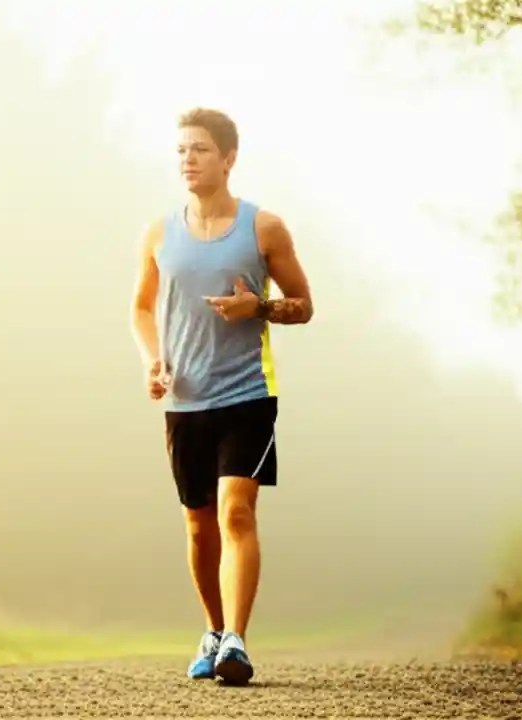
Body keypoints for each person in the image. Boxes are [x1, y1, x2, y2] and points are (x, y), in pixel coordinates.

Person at [130, 107, 314, 685]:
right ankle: (212, 629)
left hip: (248, 394)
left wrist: (255, 307)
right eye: (181, 150)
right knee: (198, 524)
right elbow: (140, 306)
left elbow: (304, 304)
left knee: (236, 511)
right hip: (185, 399)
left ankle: (236, 639)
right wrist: (152, 361)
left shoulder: (264, 228)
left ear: (229, 158)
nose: (187, 159)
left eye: (200, 149)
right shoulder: (160, 232)